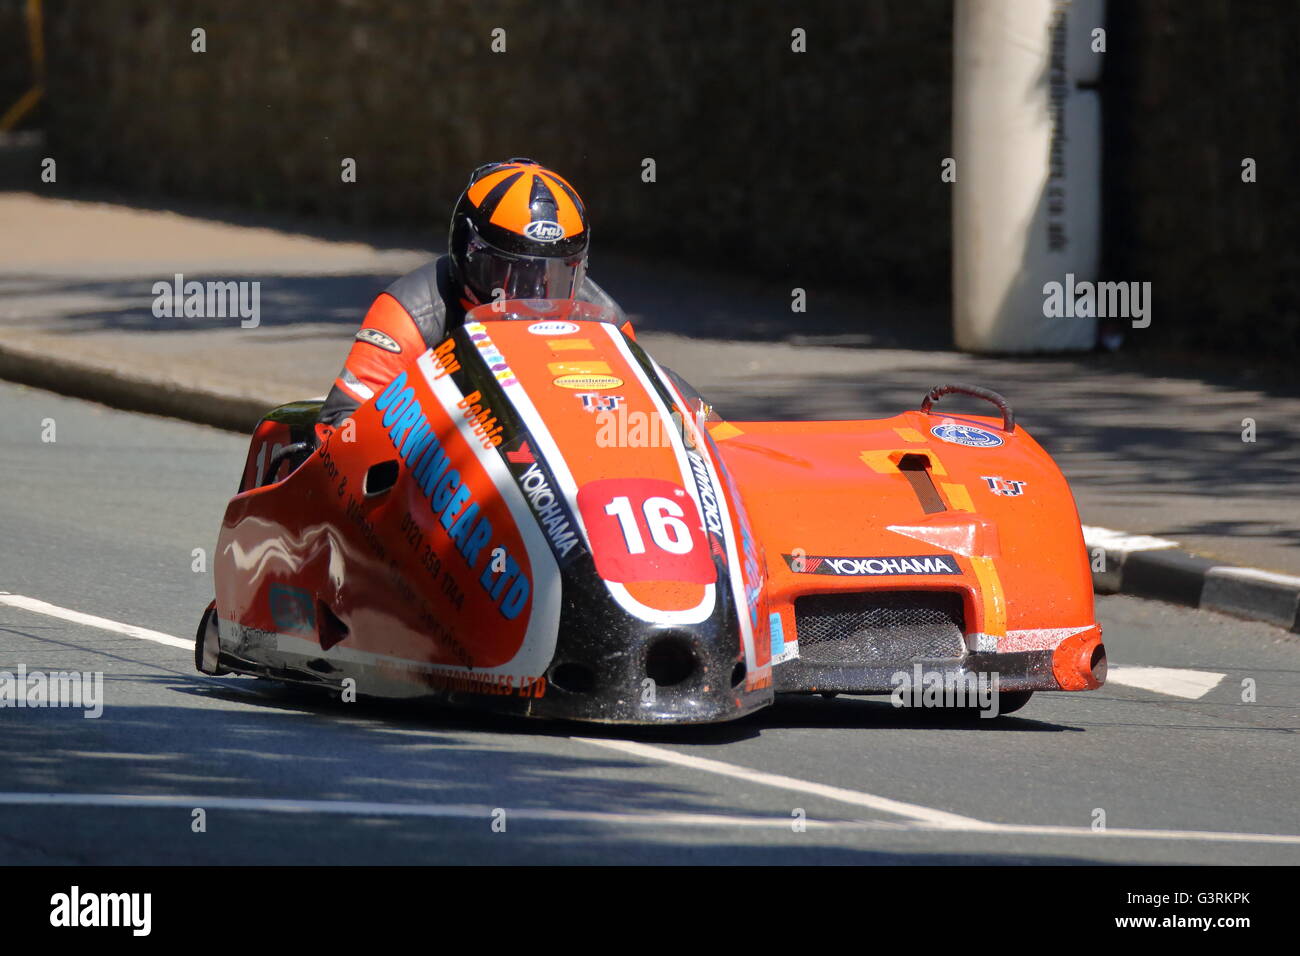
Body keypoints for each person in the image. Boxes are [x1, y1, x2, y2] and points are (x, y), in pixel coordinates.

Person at [318, 158, 624, 426]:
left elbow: (649, 400)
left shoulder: (608, 322)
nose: (533, 295)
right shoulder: (412, 312)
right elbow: (341, 421)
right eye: (510, 275)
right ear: (467, 252)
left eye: (555, 277)